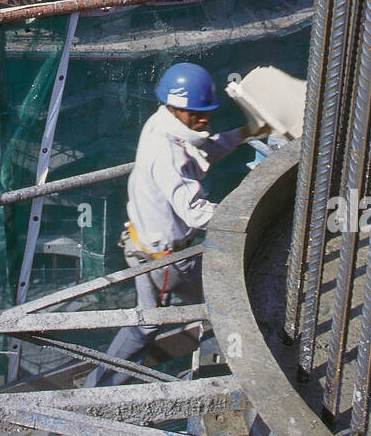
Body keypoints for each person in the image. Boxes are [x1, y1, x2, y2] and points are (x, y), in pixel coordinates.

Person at [87, 62, 265, 386]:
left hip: (140, 247)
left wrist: (245, 133)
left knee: (145, 325)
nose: (203, 119)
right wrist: (248, 211)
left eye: (206, 112)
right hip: (167, 263)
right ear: (175, 107)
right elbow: (195, 212)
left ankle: (96, 388)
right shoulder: (167, 152)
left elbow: (205, 150)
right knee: (228, 302)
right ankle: (233, 380)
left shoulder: (162, 124)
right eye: (195, 113)